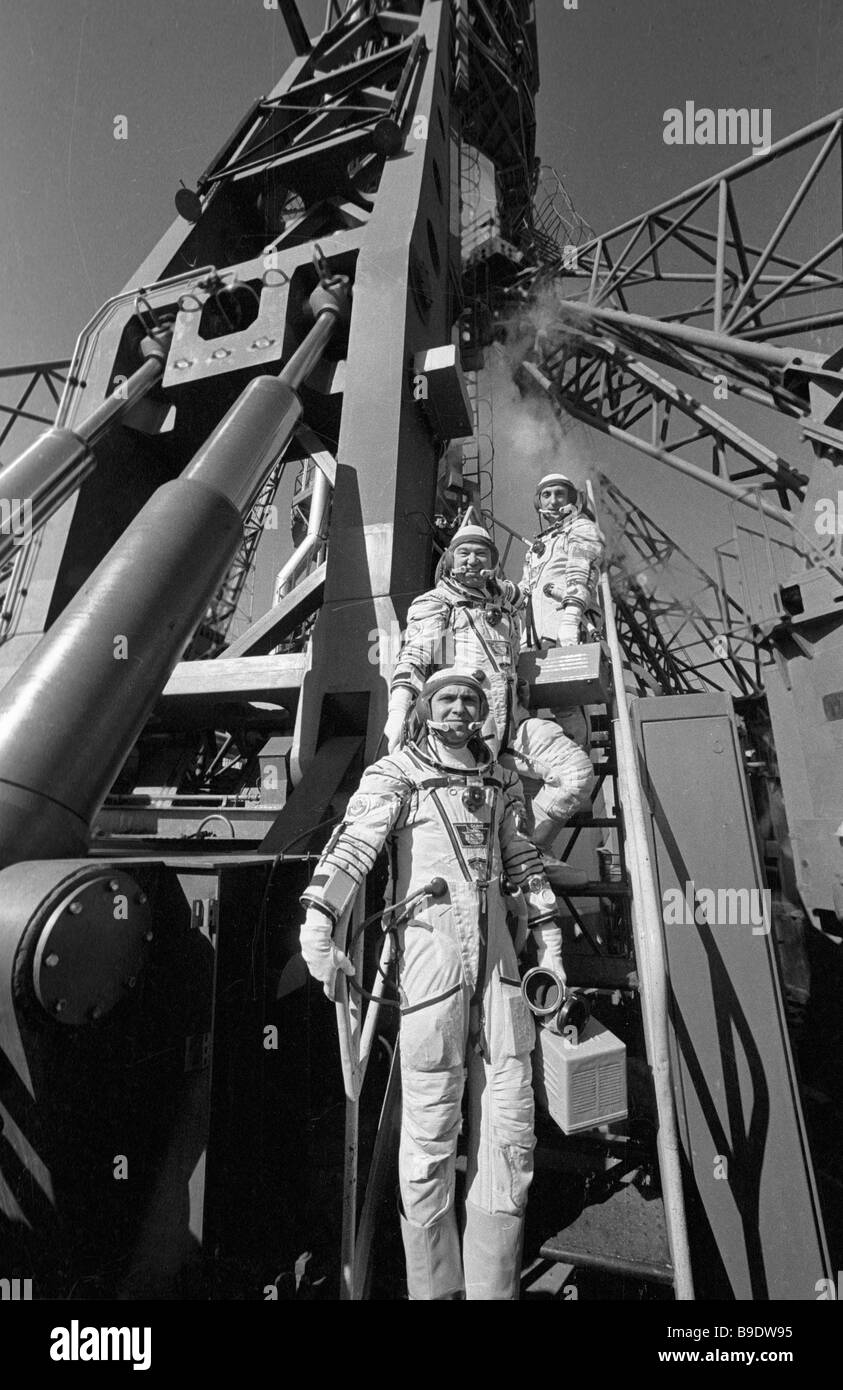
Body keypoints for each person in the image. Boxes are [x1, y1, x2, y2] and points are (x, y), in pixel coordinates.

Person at [299, 668, 566, 1300]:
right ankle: (433, 1288)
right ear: (424, 707)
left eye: (471, 699)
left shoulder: (500, 778)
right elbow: (354, 846)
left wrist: (549, 943)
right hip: (430, 953)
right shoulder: (398, 772)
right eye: (446, 697)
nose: (460, 708)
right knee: (430, 1126)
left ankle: (494, 1286)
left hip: (499, 962)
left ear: (483, 712)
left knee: (511, 1123)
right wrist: (319, 921)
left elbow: (519, 856)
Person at [382, 514, 594, 856]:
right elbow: (414, 658)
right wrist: (397, 713)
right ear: (449, 560)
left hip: (513, 723)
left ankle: (528, 852)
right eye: (464, 553)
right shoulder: (438, 604)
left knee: (576, 773)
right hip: (467, 728)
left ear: (493, 563)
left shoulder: (505, 604)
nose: (472, 560)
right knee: (471, 817)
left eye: (482, 554)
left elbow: (530, 588)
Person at [521, 472, 605, 649]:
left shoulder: (582, 528)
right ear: (539, 502)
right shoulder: (538, 546)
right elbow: (526, 588)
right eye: (546, 495)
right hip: (535, 631)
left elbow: (581, 574)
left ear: (571, 499)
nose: (553, 501)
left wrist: (571, 620)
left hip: (569, 624)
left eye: (559, 494)